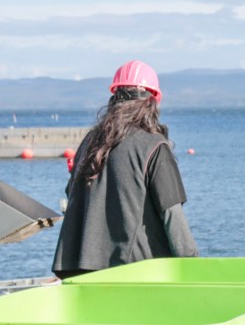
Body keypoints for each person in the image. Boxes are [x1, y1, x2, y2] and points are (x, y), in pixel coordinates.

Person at [52, 60, 198, 279]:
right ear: (152, 101)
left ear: (115, 98)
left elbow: (71, 195)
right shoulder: (154, 146)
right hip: (135, 275)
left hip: (79, 272)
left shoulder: (90, 142)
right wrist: (193, 267)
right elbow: (172, 214)